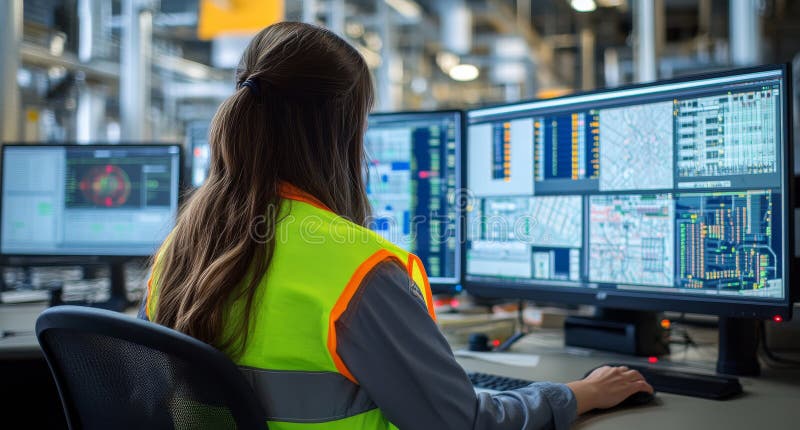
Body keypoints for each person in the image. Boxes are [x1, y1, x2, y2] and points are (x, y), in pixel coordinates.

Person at [140, 21, 653, 430]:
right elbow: (461, 422)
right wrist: (574, 395)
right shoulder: (356, 272)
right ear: (340, 134)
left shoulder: (182, 251)